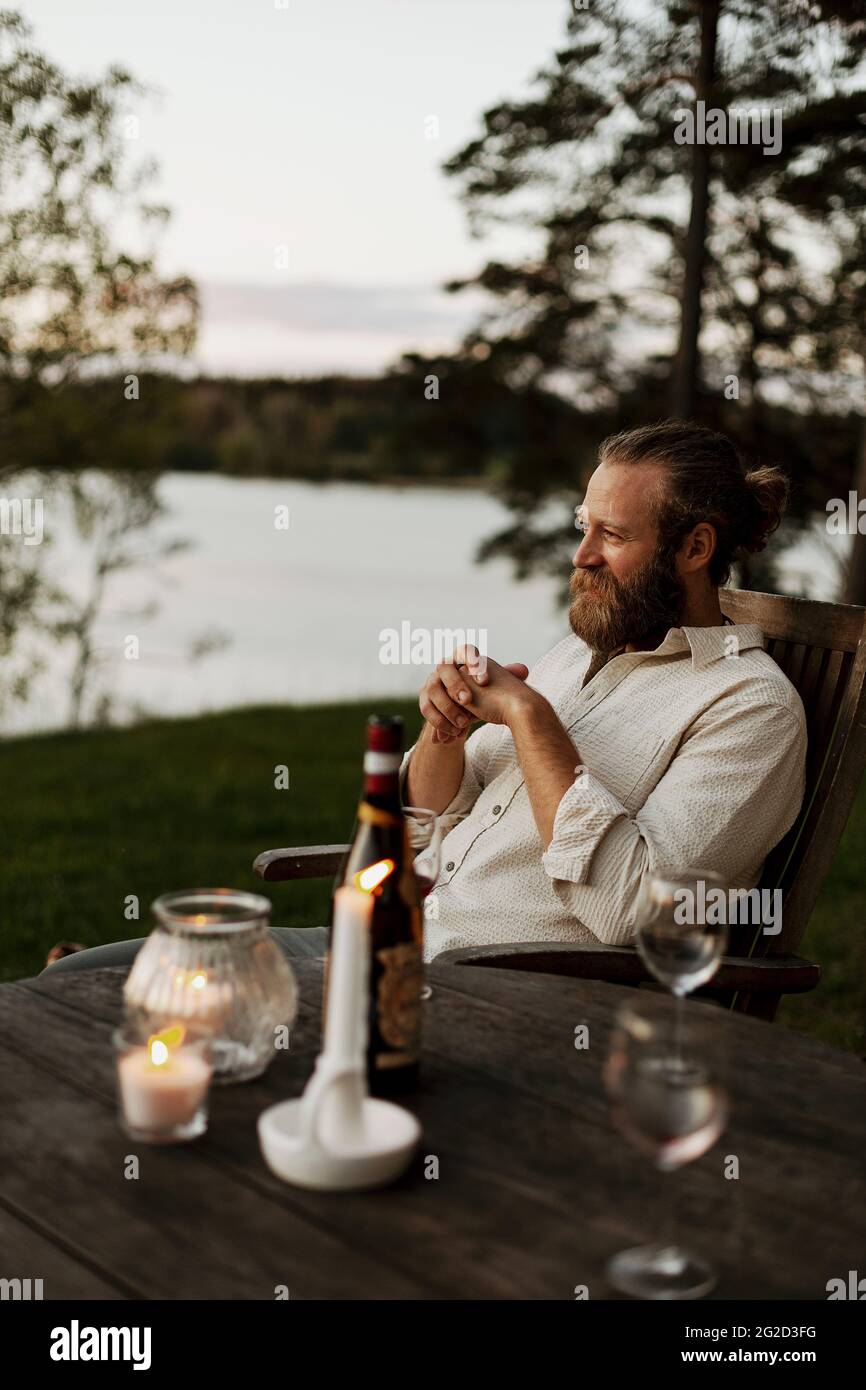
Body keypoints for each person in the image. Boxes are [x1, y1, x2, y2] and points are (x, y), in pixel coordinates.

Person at [42, 419, 805, 975]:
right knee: (81, 979)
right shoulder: (579, 656)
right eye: (582, 526)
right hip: (393, 940)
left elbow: (631, 910)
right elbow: (425, 831)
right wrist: (444, 734)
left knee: (111, 996)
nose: (580, 555)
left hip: (502, 994)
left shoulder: (747, 709)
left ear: (696, 548)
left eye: (612, 534)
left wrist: (533, 722)